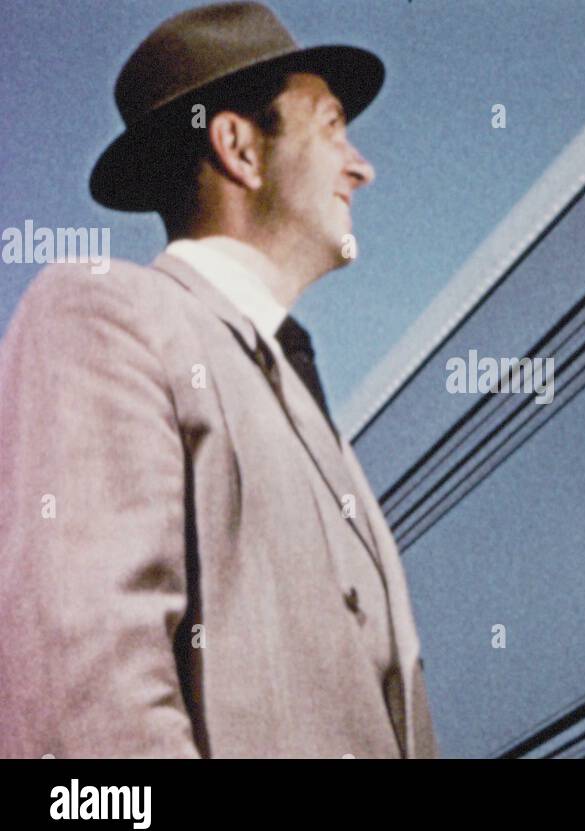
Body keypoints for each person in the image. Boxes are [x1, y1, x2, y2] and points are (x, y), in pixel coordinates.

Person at [0, 2, 436, 758]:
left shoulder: (304, 404)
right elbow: (84, 713)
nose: (362, 166)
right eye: (331, 126)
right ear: (237, 146)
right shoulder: (107, 317)